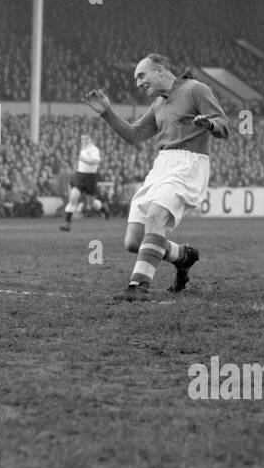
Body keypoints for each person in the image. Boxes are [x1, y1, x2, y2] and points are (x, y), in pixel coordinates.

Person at [83, 54, 229, 301]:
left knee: (156, 216)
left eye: (142, 75)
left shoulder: (196, 89)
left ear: (160, 70)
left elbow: (224, 124)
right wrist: (107, 112)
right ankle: (184, 256)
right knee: (133, 241)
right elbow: (135, 134)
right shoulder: (158, 105)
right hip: (161, 165)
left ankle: (138, 286)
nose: (138, 83)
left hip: (188, 163)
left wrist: (209, 125)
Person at [58, 132, 110, 229]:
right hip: (79, 176)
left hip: (91, 178)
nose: (84, 141)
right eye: (82, 139)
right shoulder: (83, 149)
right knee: (73, 197)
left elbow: (97, 161)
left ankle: (103, 208)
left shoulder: (94, 149)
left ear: (91, 140)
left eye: (86, 139)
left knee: (91, 204)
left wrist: (83, 160)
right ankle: (66, 223)